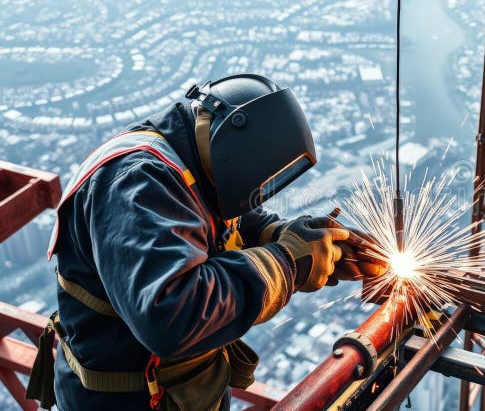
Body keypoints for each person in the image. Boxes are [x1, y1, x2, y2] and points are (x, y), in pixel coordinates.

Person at [25, 73, 386, 411]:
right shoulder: (137, 184)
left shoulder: (196, 158)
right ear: (231, 146)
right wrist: (290, 262)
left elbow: (234, 217)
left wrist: (291, 237)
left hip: (181, 392)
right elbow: (172, 316)